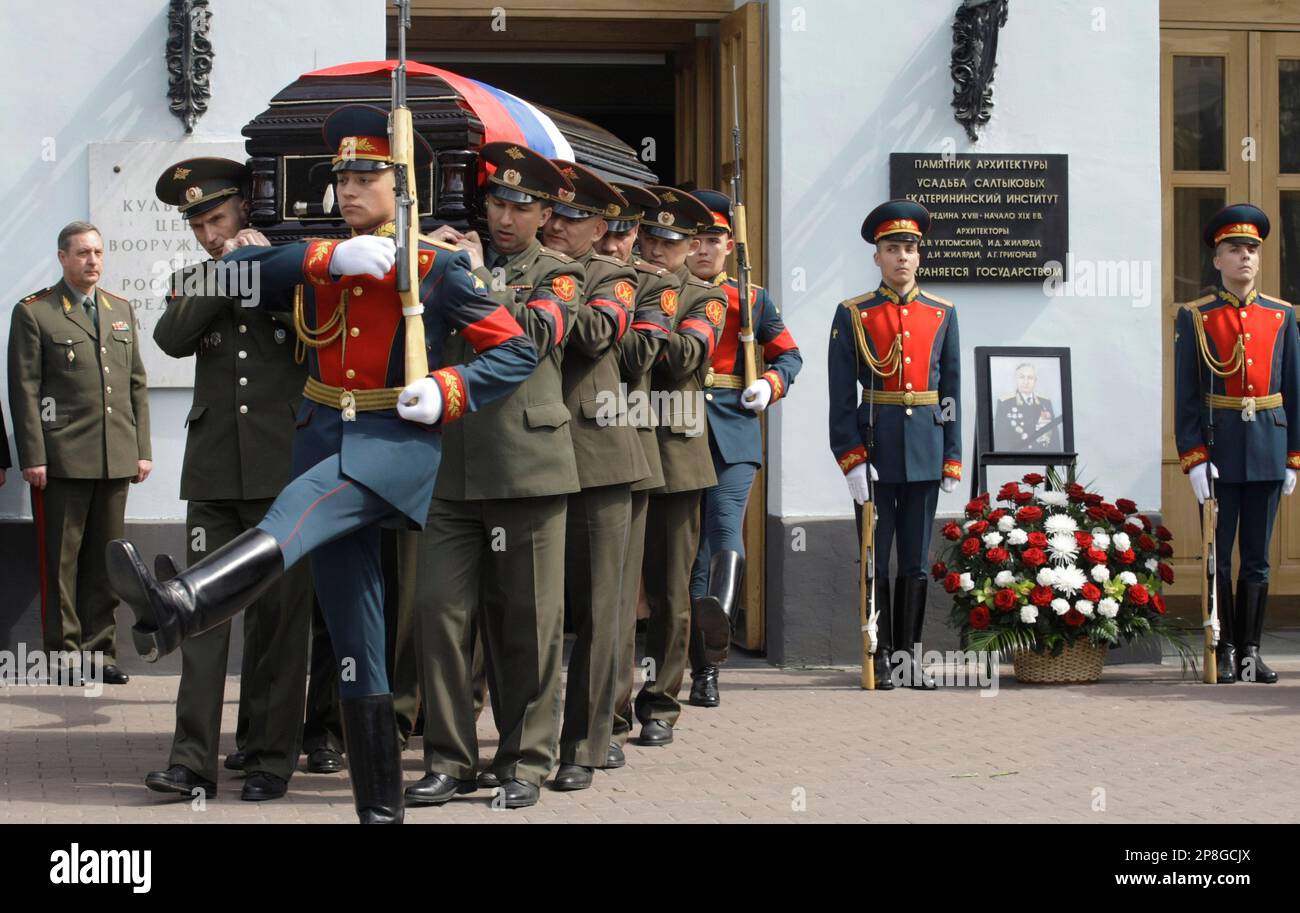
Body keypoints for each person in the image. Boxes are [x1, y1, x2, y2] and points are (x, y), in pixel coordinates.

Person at [104, 105, 538, 823]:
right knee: (356, 632)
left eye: (367, 175)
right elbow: (236, 270)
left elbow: (515, 348)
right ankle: (380, 809)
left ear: (403, 186)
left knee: (294, 510)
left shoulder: (434, 267)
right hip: (320, 431)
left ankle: (184, 603)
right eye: (341, 177)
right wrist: (323, 258)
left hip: (389, 445)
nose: (349, 189)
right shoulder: (321, 257)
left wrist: (451, 389)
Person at [405, 142, 581, 810]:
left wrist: (471, 280)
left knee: (528, 624)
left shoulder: (561, 274)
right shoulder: (449, 264)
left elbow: (528, 339)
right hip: (449, 470)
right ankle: (450, 758)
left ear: (544, 214)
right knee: (438, 615)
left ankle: (525, 760)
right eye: (497, 202)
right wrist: (432, 268)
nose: (505, 217)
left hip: (526, 468)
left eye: (521, 206)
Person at [142, 157, 313, 802]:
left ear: (245, 205)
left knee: (278, 622)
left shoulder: (292, 265)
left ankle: (270, 755)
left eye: (217, 219)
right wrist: (225, 268)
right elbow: (171, 337)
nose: (210, 234)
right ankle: (190, 762)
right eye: (198, 226)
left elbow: (316, 332)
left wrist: (263, 267)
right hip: (213, 474)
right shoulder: (198, 276)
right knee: (198, 619)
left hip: (282, 474)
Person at [7, 221, 151, 686]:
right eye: (83, 253)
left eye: (98, 252)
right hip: (62, 459)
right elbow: (24, 390)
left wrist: (141, 450)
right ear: (62, 257)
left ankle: (100, 651)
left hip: (114, 457)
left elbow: (136, 386)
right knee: (61, 562)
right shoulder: (36, 313)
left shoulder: (119, 310)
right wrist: (34, 455)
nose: (93, 261)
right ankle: (65, 654)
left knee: (105, 559)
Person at [827, 200, 961, 690]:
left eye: (909, 248)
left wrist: (951, 454)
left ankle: (910, 659)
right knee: (872, 555)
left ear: (919, 256)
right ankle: (878, 653)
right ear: (877, 257)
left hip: (925, 448)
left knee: (914, 560)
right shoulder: (855, 314)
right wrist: (851, 457)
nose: (902, 257)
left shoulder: (942, 313)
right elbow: (841, 396)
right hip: (876, 450)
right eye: (892, 248)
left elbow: (950, 392)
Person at [543, 160, 646, 790]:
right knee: (519, 612)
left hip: (595, 457)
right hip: (520, 455)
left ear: (601, 226)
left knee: (601, 610)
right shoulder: (511, 269)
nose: (555, 225)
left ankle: (585, 743)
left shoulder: (616, 276)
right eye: (549, 212)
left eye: (572, 217)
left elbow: (595, 336)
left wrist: (549, 285)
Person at [684, 189, 802, 708]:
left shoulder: (751, 298)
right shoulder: (666, 292)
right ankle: (690, 661)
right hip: (677, 427)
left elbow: (790, 355)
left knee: (724, 533)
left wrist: (770, 385)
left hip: (733, 429)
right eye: (695, 239)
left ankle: (710, 659)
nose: (704, 250)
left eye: (713, 240)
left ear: (730, 246)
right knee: (689, 552)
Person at [1174, 202, 1296, 684]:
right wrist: (1194, 457)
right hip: (1220, 452)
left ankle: (1250, 651)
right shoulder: (1198, 317)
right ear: (1216, 259)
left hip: (1268, 447)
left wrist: (1294, 457)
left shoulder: (1281, 316)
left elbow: (1296, 389)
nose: (1244, 257)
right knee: (1218, 556)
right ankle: (1221, 647)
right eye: (1233, 249)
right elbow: (1186, 394)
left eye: (1251, 249)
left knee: (1259, 560)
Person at [632, 187, 725, 746]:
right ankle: (611, 706)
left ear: (691, 246)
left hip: (673, 457)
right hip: (617, 449)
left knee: (669, 591)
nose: (656, 249)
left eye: (669, 241)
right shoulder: (618, 286)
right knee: (615, 595)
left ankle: (661, 703)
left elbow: (684, 357)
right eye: (650, 238)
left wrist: (655, 302)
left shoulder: (702, 297)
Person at [598, 182, 675, 762]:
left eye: (628, 232)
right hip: (557, 450)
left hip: (623, 447)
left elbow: (640, 357)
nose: (620, 242)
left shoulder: (656, 288)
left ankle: (615, 716)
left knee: (621, 601)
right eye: (613, 229)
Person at [994, 362, 1060, 451]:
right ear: (1015, 379)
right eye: (1022, 377)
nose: (1026, 382)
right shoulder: (1005, 403)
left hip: (1041, 458)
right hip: (1015, 459)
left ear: (1035, 381)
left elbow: (1054, 439)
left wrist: (1057, 462)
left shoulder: (1045, 403)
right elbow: (1000, 440)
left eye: (1030, 378)